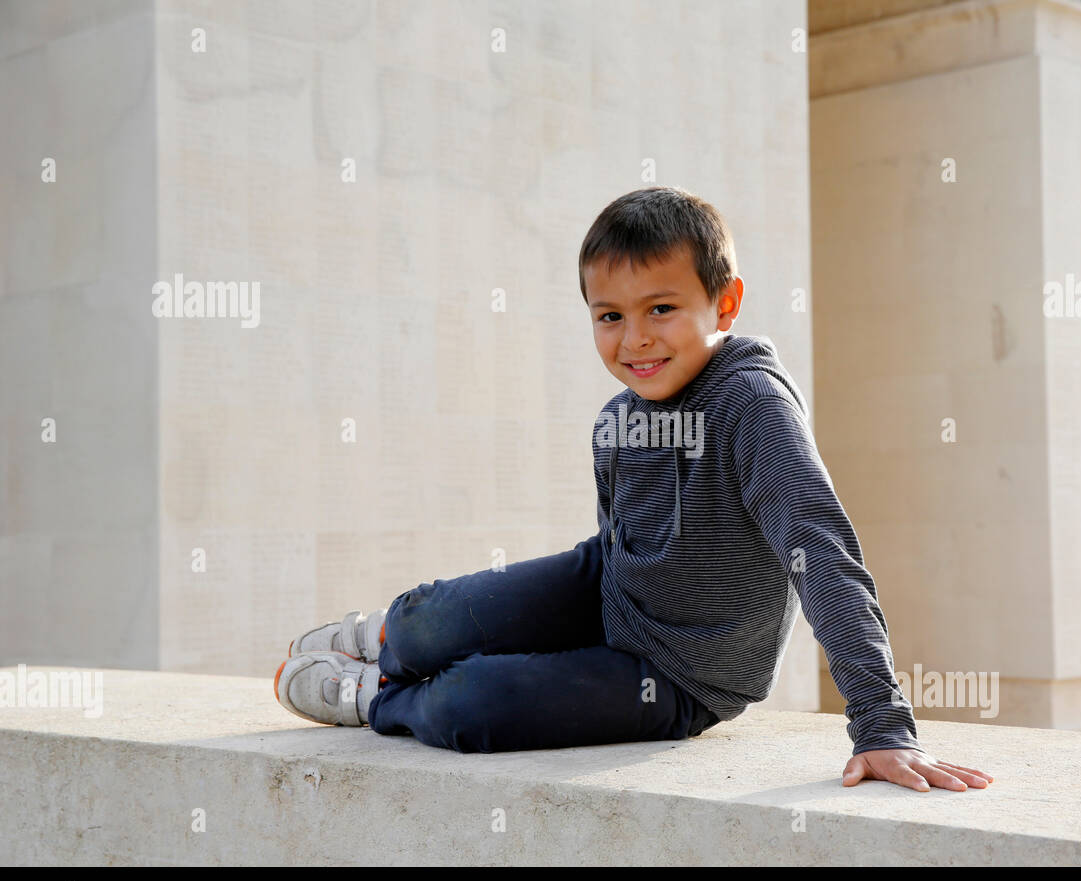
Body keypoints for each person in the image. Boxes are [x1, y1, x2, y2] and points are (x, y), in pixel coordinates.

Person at [274, 185, 992, 793]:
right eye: (610, 317)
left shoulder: (751, 404)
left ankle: (374, 695)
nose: (635, 339)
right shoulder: (618, 419)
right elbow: (616, 543)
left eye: (662, 309)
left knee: (476, 702)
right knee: (436, 618)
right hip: (610, 590)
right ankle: (383, 641)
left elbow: (820, 549)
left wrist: (881, 722)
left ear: (726, 303)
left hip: (680, 676)